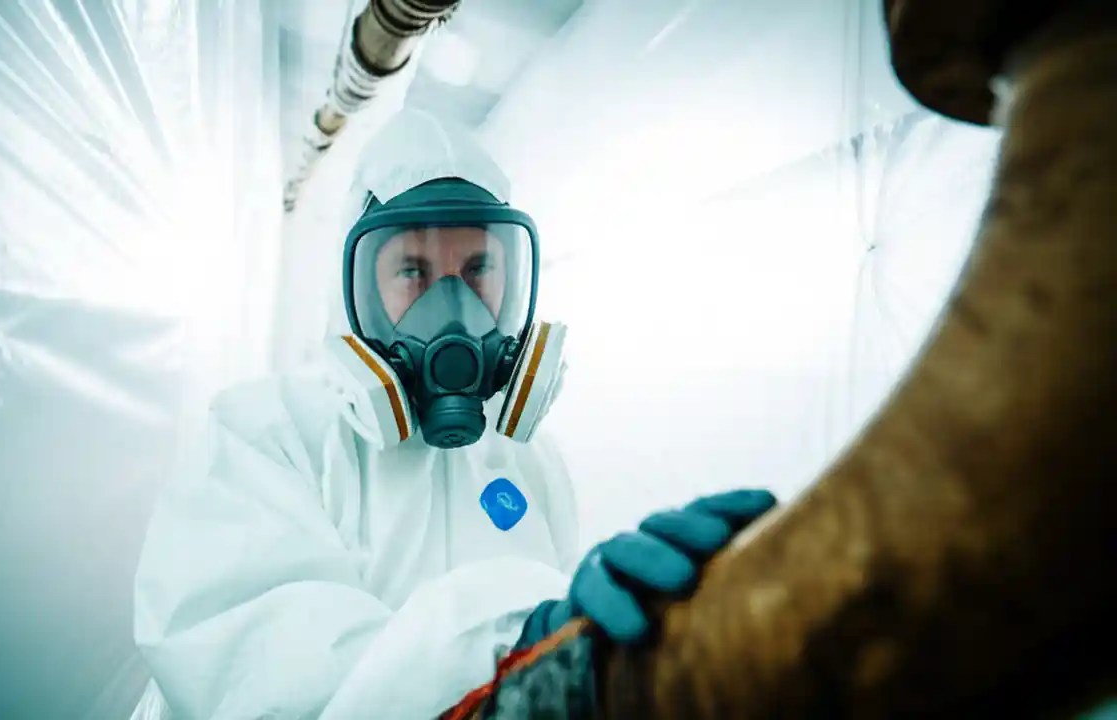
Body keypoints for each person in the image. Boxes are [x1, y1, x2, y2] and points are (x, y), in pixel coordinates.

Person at [131, 109, 776, 719]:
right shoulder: (266, 434)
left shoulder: (530, 459)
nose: (454, 306)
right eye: (413, 270)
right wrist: (518, 646)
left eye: (478, 269)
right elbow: (265, 681)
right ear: (356, 292)